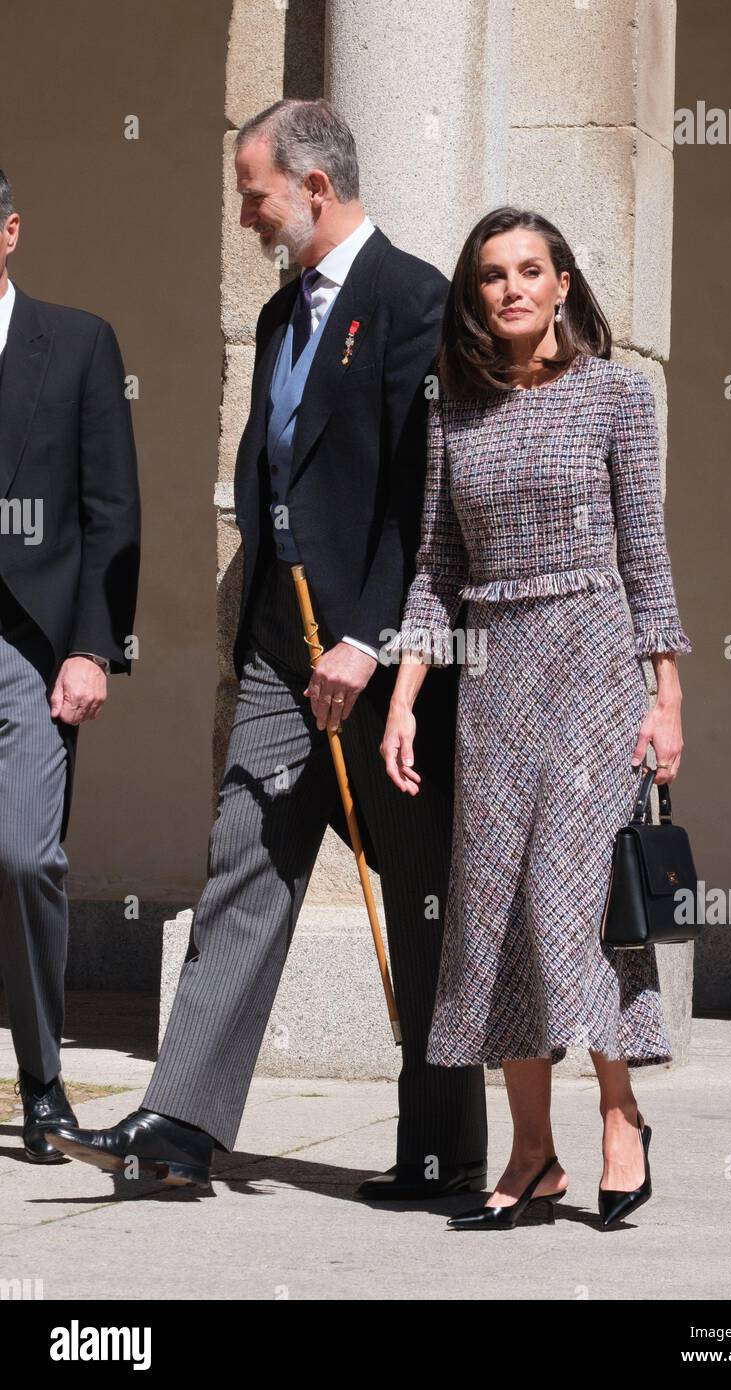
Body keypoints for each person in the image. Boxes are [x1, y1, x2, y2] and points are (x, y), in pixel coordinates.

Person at [48, 100, 487, 1195]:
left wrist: (371, 636)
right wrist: (277, 641)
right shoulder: (288, 313)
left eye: (254, 192)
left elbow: (425, 500)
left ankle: (440, 1149)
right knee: (242, 860)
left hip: (383, 667)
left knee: (422, 891)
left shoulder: (410, 301)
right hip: (279, 656)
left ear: (313, 187)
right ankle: (182, 1126)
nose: (246, 213)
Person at [381, 206, 692, 1230]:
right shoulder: (453, 412)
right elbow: (437, 567)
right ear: (474, 296)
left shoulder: (614, 394)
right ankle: (529, 1151)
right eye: (490, 276)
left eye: (528, 271)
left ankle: (616, 1114)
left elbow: (646, 557)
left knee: (573, 898)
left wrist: (667, 697)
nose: (510, 289)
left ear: (562, 283)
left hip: (596, 665)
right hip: (494, 678)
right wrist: (404, 697)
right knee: (496, 910)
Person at [0, 167, 140, 1162]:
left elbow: (111, 512)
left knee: (22, 855)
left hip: (31, 642)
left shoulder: (80, 344)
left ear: (9, 232)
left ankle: (43, 1083)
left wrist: (95, 645)